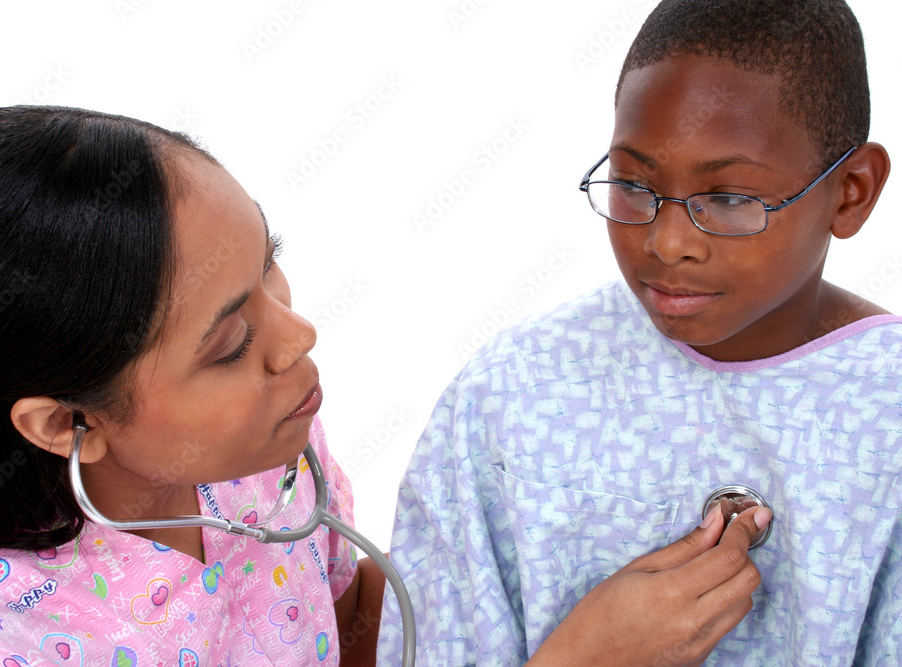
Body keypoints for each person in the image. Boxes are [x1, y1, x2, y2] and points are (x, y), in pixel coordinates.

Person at [0, 106, 765, 665]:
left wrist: (543, 569)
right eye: (230, 344)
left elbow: (343, 621)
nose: (297, 336)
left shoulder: (258, 457)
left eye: (267, 264)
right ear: (65, 423)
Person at [378, 0, 900, 664]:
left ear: (851, 190)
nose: (667, 241)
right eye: (633, 184)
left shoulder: (886, 414)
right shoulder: (512, 392)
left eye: (729, 198)